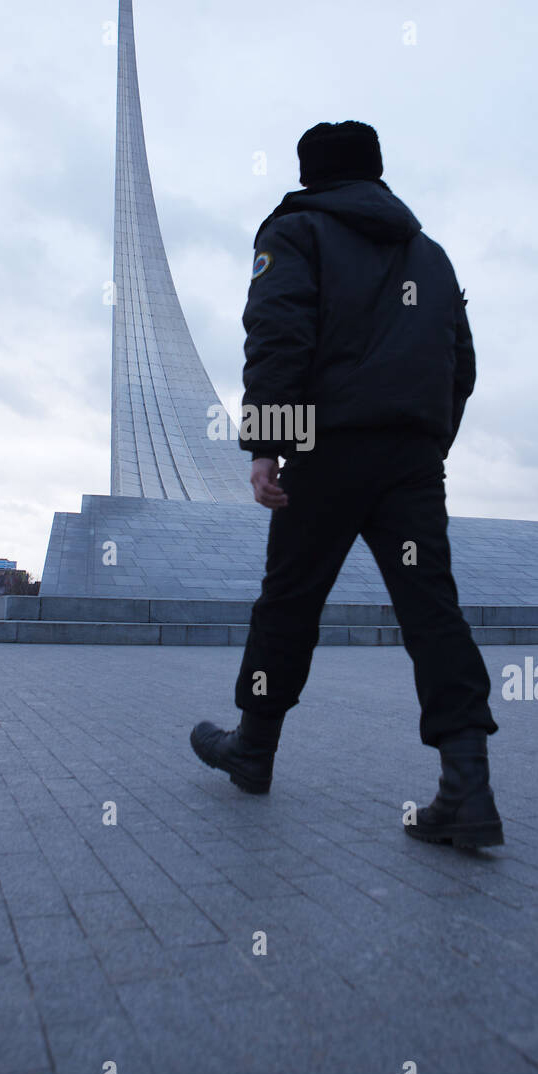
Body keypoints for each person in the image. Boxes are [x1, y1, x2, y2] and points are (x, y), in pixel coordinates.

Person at [190, 121, 502, 849]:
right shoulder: (430, 252)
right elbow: (462, 364)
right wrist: (427, 441)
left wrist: (270, 444)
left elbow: (279, 335)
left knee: (290, 602)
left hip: (327, 452)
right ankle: (469, 784)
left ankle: (253, 750)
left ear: (312, 175)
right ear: (376, 172)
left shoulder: (297, 232)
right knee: (433, 611)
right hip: (412, 463)